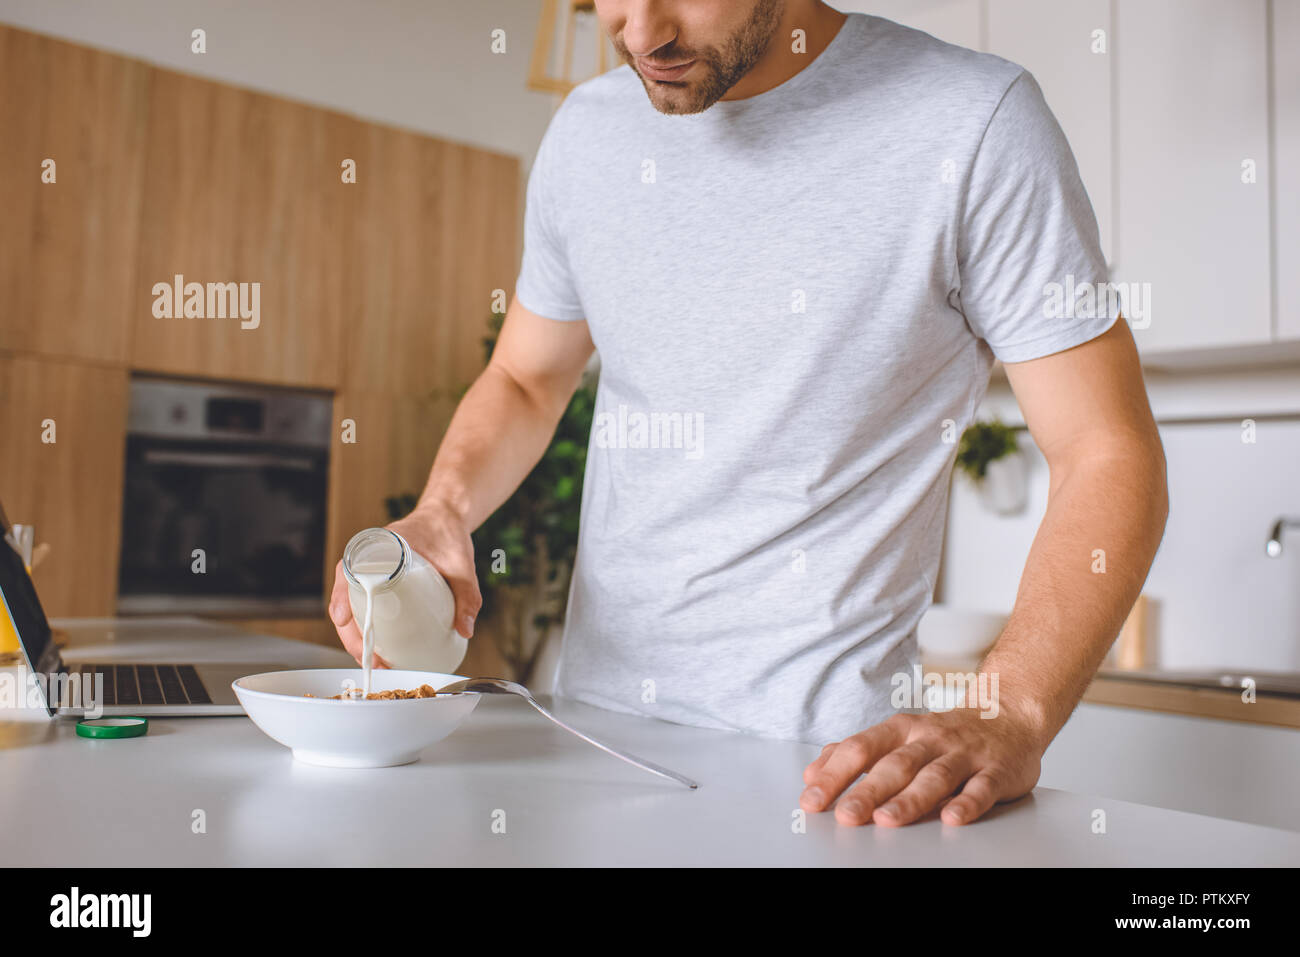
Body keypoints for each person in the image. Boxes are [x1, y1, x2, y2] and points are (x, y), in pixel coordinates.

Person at [329, 0, 1168, 828]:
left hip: (834, 781)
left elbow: (1106, 450)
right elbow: (524, 378)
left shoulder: (973, 124)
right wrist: (444, 508)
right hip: (594, 743)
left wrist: (1011, 708)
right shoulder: (586, 135)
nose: (642, 32)